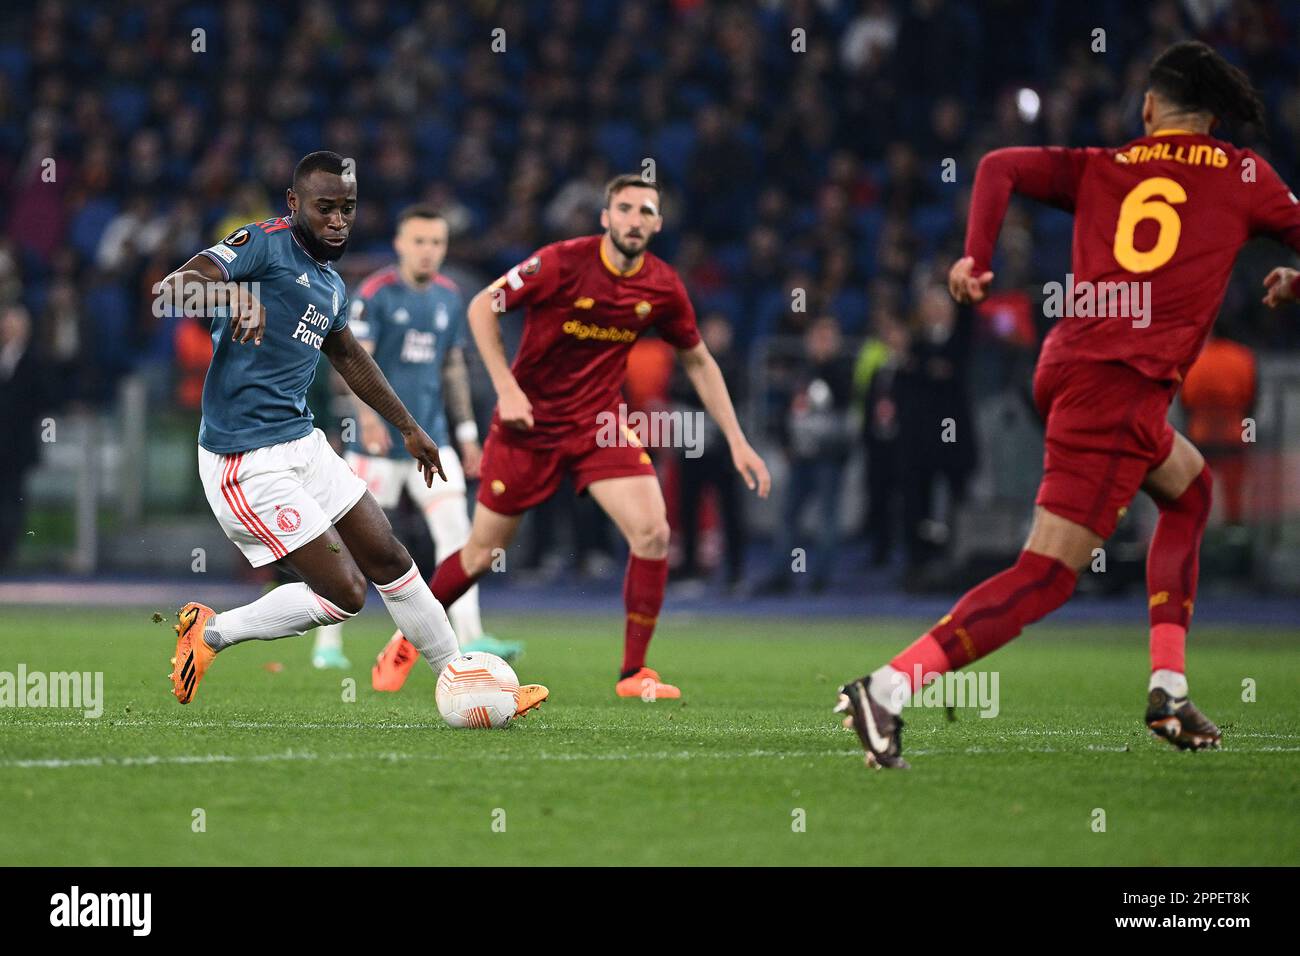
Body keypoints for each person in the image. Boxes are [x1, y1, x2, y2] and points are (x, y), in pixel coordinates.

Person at [836, 42, 1300, 768]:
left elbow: (998, 166)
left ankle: (1168, 688)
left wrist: (975, 258)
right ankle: (890, 688)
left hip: (1080, 369)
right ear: (1213, 117)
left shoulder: (1106, 165)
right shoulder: (1246, 174)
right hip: (1118, 388)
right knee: (1047, 576)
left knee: (1191, 493)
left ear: (1150, 110)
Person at [158, 150, 546, 714]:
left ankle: (457, 674)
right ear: (294, 205)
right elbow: (171, 289)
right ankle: (212, 632)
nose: (338, 219)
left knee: (390, 557)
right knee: (345, 593)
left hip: (302, 442)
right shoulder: (262, 243)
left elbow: (350, 357)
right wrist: (231, 294)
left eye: (347, 208)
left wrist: (410, 428)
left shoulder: (332, 283)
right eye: (325, 208)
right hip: (244, 460)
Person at [372, 174, 771, 700]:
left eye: (645, 211)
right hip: (527, 426)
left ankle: (633, 674)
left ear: (657, 223)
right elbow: (481, 306)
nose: (634, 219)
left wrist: (737, 439)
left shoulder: (662, 286)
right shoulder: (561, 261)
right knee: (481, 552)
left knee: (653, 533)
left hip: (599, 425)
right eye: (624, 208)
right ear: (606, 217)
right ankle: (405, 639)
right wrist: (507, 388)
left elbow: (697, 358)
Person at [305, 204, 521, 676]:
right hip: (378, 448)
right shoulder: (375, 295)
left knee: (457, 537)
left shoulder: (449, 297)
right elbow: (350, 361)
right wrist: (369, 420)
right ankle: (328, 641)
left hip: (432, 442)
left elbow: (453, 368)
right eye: (419, 241)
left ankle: (471, 633)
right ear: (400, 244)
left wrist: (466, 434)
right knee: (350, 542)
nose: (429, 252)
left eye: (437, 243)